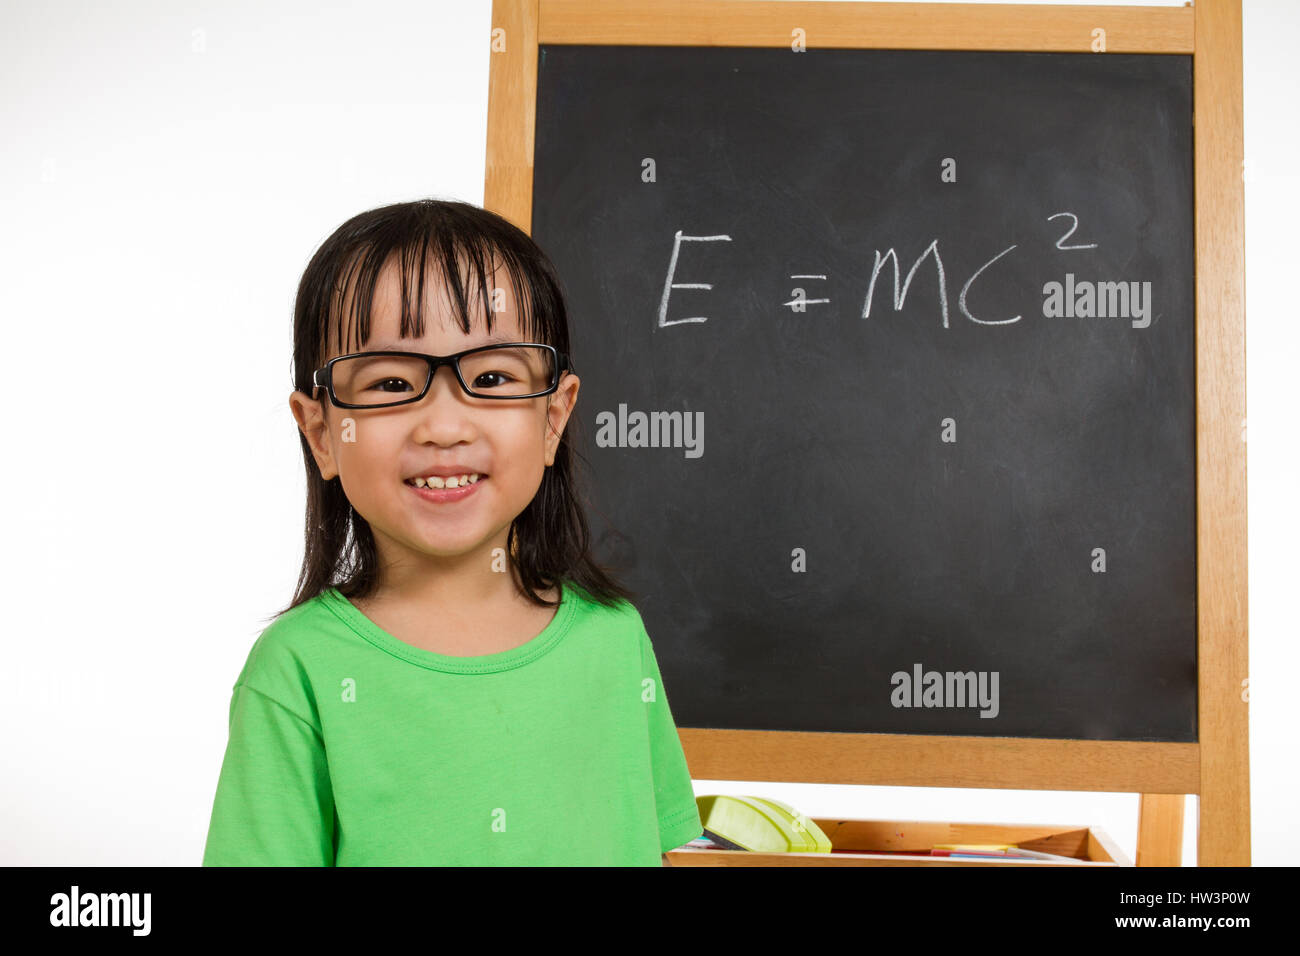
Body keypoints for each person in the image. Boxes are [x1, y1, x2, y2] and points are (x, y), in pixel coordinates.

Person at [202, 198, 702, 866]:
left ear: (554, 417)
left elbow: (666, 850)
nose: (444, 427)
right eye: (389, 383)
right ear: (322, 432)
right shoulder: (298, 672)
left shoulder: (615, 642)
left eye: (492, 377)